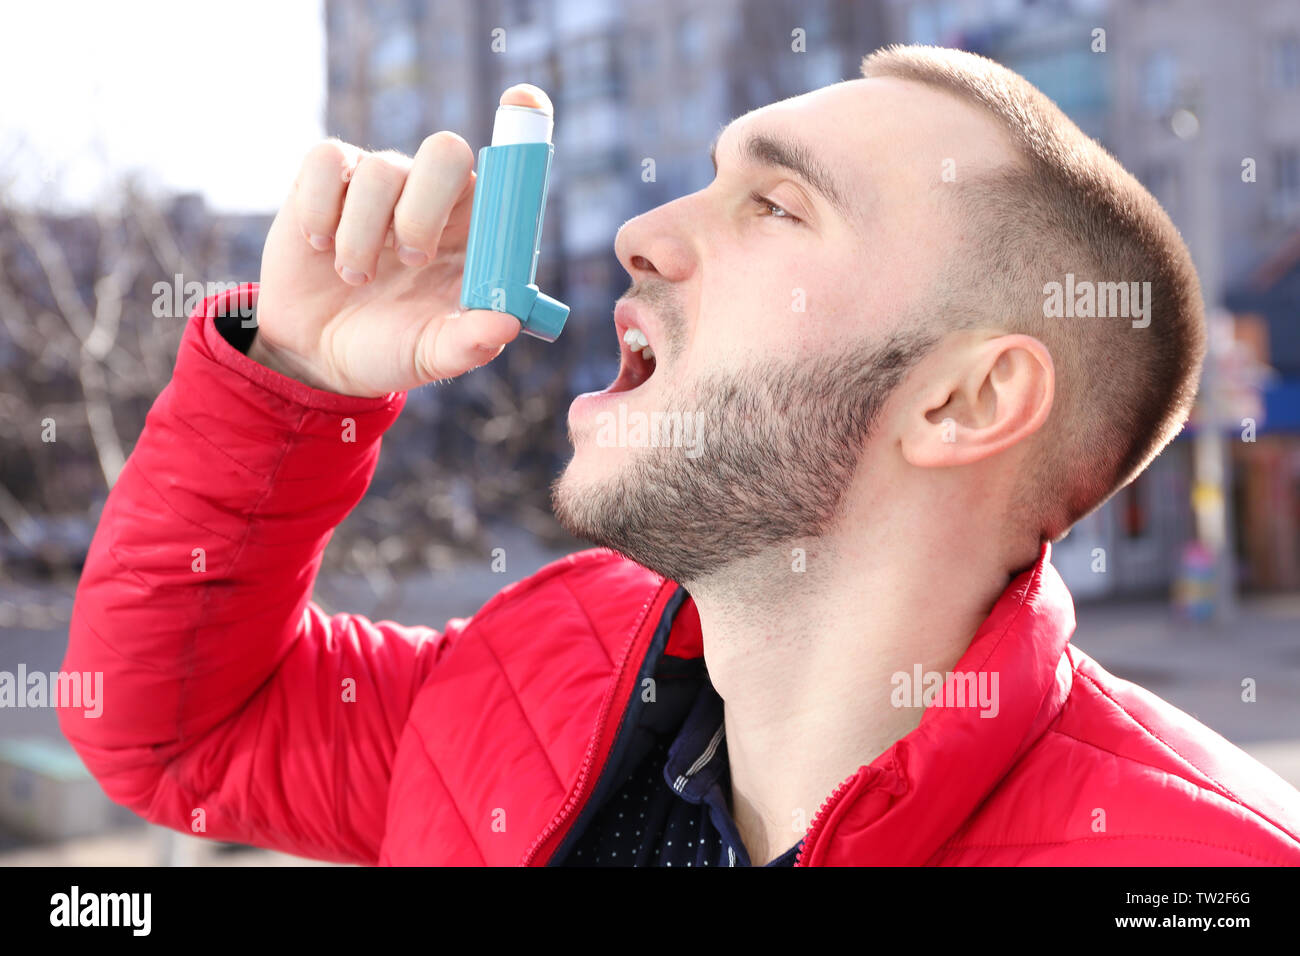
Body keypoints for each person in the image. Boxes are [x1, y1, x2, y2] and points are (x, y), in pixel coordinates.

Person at [60, 46, 1300, 866]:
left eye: (773, 205)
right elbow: (170, 733)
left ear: (966, 397)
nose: (641, 237)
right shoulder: (525, 677)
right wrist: (298, 377)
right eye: (701, 184)